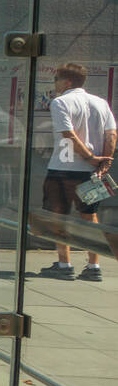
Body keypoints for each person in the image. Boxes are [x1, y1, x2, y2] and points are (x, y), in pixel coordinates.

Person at [39, 62, 116, 282]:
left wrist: (90, 157)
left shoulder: (60, 102)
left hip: (62, 170)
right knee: (90, 216)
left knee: (58, 215)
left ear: (67, 81)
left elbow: (69, 135)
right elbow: (111, 135)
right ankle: (94, 266)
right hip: (91, 173)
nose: (54, 84)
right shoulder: (101, 103)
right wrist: (104, 162)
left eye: (56, 80)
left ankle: (64, 264)